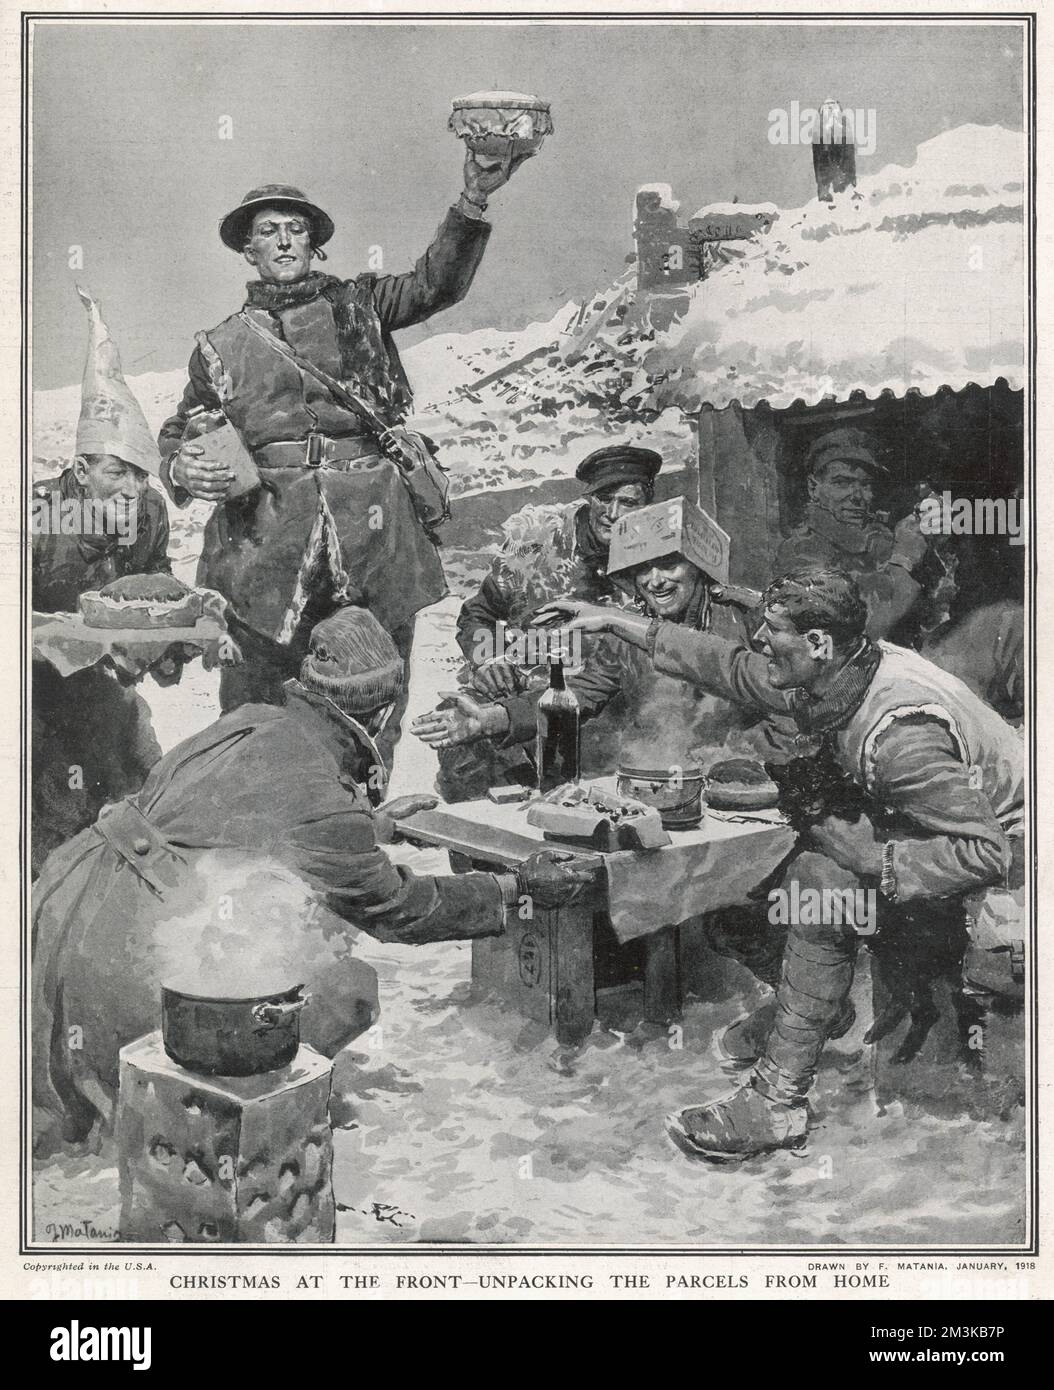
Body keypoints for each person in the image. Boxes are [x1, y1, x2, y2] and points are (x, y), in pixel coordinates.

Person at [32, 606, 594, 1152]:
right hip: (126, 962)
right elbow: (400, 908)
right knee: (347, 990)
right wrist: (517, 888)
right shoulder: (324, 802)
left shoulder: (253, 720)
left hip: (68, 907)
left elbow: (245, 820)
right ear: (380, 714)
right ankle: (239, 1113)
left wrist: (373, 826)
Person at [545, 567, 1023, 1159]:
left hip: (1009, 876)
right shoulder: (837, 669)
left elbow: (986, 852)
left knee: (822, 883)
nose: (759, 640)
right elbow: (728, 666)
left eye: (772, 630)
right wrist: (617, 622)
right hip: (934, 837)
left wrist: (872, 857)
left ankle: (778, 1102)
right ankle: (819, 1010)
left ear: (817, 643)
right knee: (748, 883)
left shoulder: (902, 737)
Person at [157, 151, 529, 765]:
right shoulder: (219, 345)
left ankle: (361, 805)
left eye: (296, 228)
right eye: (268, 230)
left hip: (375, 534)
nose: (284, 240)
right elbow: (181, 427)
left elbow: (436, 284)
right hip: (266, 549)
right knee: (255, 704)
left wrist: (473, 200)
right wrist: (179, 466)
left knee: (373, 685)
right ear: (248, 249)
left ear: (314, 244)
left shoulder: (364, 306)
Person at [413, 497, 761, 784]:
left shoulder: (749, 620)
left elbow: (782, 701)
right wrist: (489, 719)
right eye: (643, 569)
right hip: (665, 780)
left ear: (697, 567)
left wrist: (745, 760)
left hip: (749, 779)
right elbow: (577, 694)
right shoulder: (625, 636)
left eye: (669, 565)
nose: (655, 581)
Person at [32, 289, 172, 873]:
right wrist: (78, 639)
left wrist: (169, 640)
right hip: (37, 700)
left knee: (146, 797)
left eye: (141, 475)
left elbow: (158, 584)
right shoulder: (36, 516)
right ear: (81, 469)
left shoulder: (150, 510)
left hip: (112, 693)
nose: (133, 490)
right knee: (58, 823)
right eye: (118, 473)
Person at [437, 444, 662, 799]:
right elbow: (479, 613)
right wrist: (488, 660)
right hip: (522, 692)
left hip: (599, 709)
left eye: (628, 503)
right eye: (604, 498)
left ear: (646, 505)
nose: (613, 513)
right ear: (589, 497)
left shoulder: (657, 560)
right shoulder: (538, 540)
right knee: (461, 745)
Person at [774, 428, 928, 639]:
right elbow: (861, 636)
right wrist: (902, 560)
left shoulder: (879, 539)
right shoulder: (800, 552)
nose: (857, 496)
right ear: (813, 488)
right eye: (842, 483)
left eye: (865, 485)